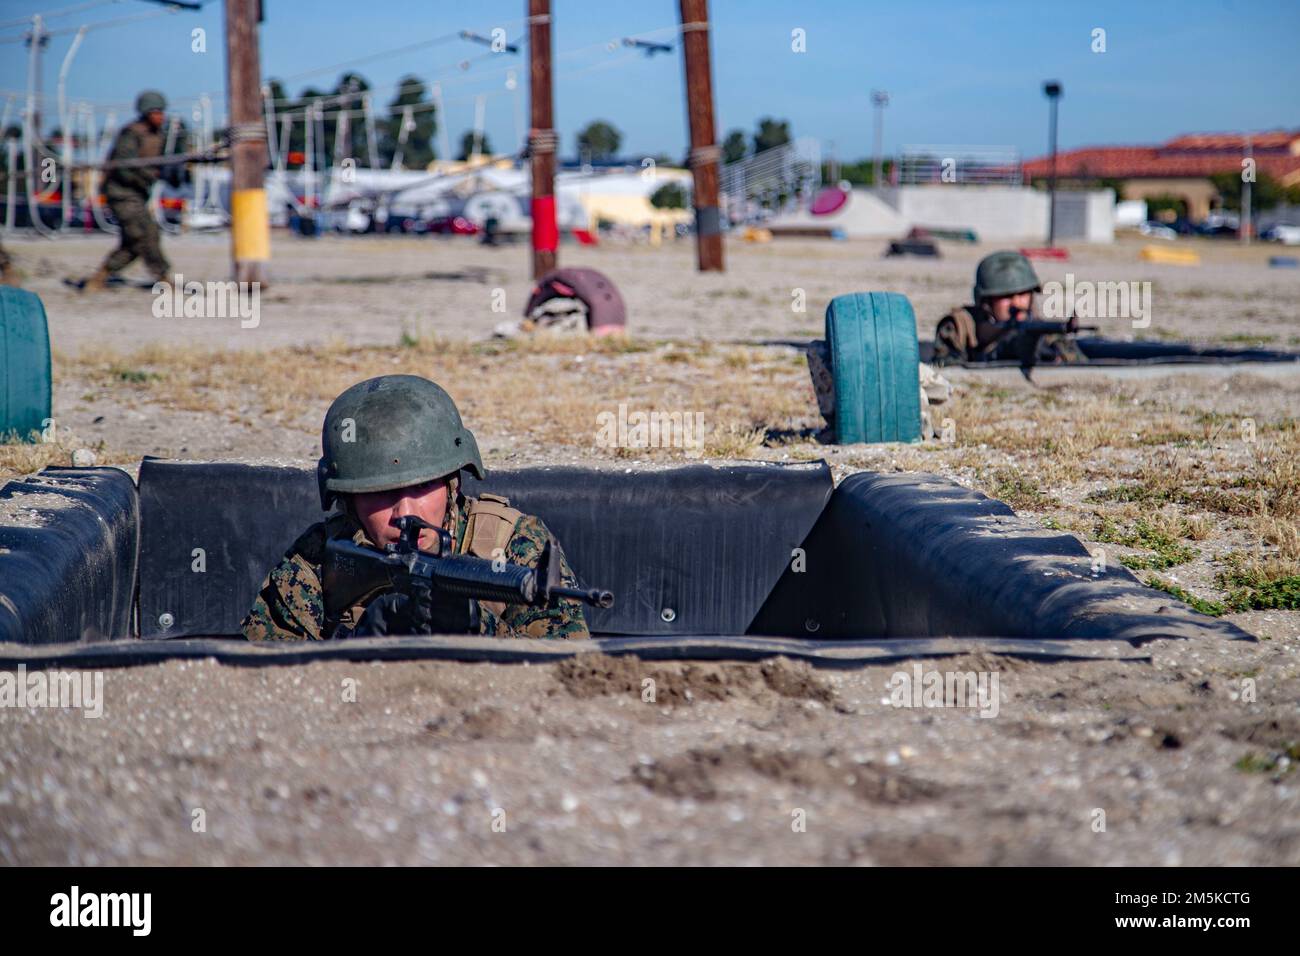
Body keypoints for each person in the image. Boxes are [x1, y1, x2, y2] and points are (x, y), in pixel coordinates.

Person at [241, 374, 590, 641]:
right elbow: (261, 685)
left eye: (422, 487)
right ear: (347, 500)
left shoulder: (512, 543)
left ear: (453, 482)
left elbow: (566, 680)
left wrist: (476, 628)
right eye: (380, 494)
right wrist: (357, 643)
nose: (405, 513)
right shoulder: (318, 560)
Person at [81, 90, 176, 291]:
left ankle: (100, 276)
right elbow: (125, 167)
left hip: (137, 195)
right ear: (146, 113)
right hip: (121, 193)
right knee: (143, 234)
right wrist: (150, 175)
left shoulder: (159, 135)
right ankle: (163, 277)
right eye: (156, 112)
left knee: (135, 240)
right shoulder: (131, 133)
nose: (161, 117)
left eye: (162, 112)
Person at [932, 250, 1082, 365]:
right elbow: (947, 371)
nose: (1017, 303)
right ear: (986, 302)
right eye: (1006, 296)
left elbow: (1080, 368)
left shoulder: (1041, 332)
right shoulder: (960, 327)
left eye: (1023, 294)